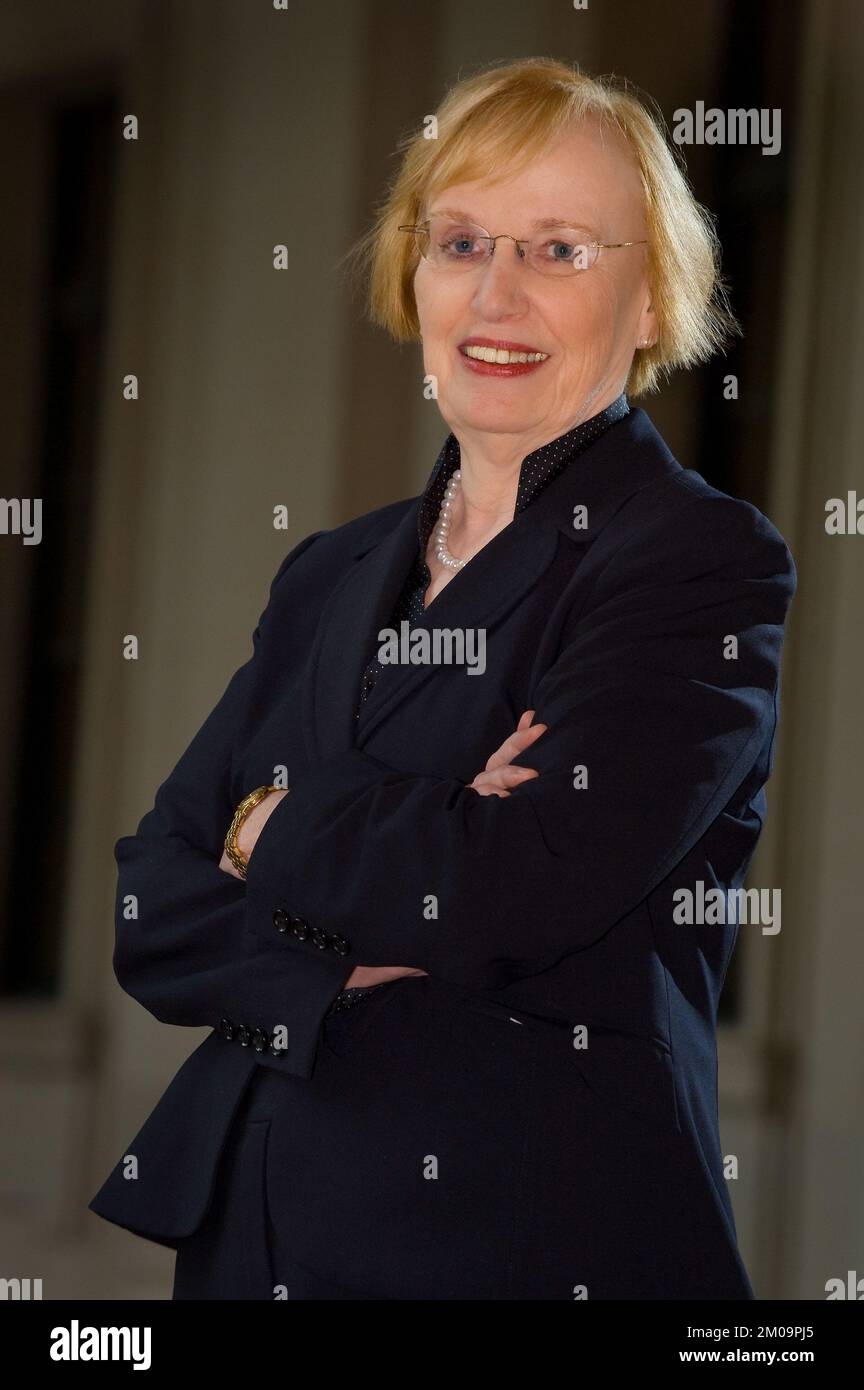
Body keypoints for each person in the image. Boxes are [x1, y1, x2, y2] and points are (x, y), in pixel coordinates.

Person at [89, 57, 796, 1300]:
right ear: (412, 278)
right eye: (461, 240)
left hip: (521, 1241)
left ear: (651, 301)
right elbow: (151, 900)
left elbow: (510, 886)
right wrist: (389, 871)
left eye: (560, 249)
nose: (497, 293)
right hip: (251, 1241)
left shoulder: (698, 561)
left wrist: (264, 827)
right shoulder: (334, 569)